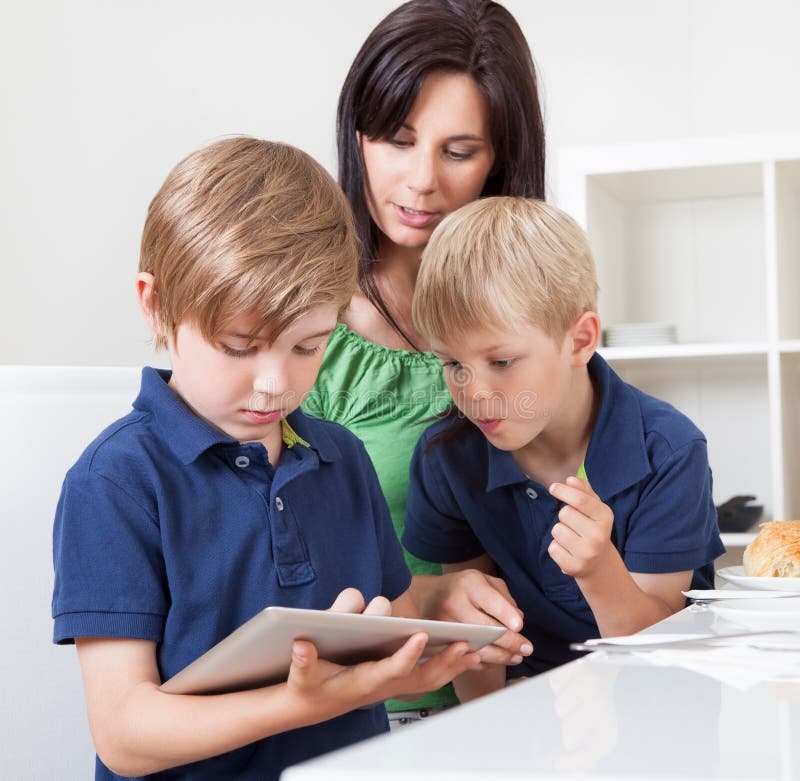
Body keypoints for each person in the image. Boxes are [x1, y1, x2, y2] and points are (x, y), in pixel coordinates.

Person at [50, 137, 482, 781]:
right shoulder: (116, 481)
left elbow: (386, 622)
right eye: (239, 346)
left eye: (308, 346)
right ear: (156, 304)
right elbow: (123, 733)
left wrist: (427, 647)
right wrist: (296, 704)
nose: (275, 384)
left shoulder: (342, 457)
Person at [302, 0, 544, 724]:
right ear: (357, 136)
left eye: (458, 151)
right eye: (396, 140)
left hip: (528, 706)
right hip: (362, 719)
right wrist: (432, 598)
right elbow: (269, 566)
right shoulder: (302, 335)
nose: (420, 180)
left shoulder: (539, 316)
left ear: (501, 159)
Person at [404, 197, 725, 700]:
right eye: (452, 364)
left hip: (660, 709)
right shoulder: (446, 458)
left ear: (579, 341)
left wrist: (599, 572)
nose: (474, 392)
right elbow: (476, 641)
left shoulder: (669, 450)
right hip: (530, 712)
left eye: (501, 361)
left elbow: (659, 654)